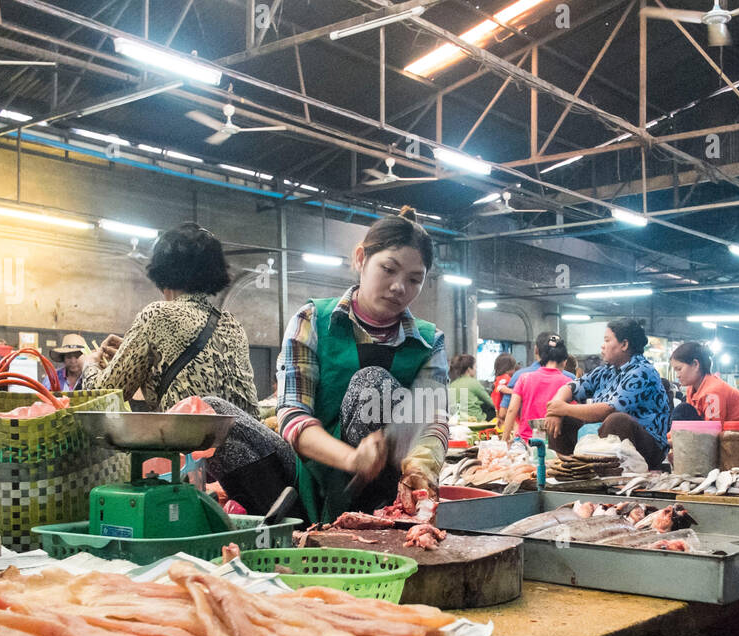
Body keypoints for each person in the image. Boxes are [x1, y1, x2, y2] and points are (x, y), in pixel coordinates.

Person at [194, 207, 449, 522]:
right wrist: (353, 459)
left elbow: (432, 422)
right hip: (305, 479)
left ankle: (366, 520)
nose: (399, 287)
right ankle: (294, 527)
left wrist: (420, 471)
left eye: (414, 280)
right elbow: (292, 415)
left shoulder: (428, 341)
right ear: (360, 259)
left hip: (384, 490)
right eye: (388, 269)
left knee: (372, 383)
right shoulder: (312, 320)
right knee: (208, 415)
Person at [80, 221, 259, 415]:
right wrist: (134, 360)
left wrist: (89, 365)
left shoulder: (157, 315)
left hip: (194, 444)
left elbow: (103, 395)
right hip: (245, 441)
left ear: (161, 272)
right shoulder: (232, 324)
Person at [543, 318, 671, 468]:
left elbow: (608, 409)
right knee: (562, 420)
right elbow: (571, 387)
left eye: (607, 340)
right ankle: (570, 468)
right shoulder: (606, 370)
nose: (602, 346)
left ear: (624, 344)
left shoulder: (642, 372)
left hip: (647, 449)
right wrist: (555, 411)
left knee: (617, 420)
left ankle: (607, 470)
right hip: (604, 441)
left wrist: (563, 408)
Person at [500, 334, 570, 442]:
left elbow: (511, 410)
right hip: (555, 444)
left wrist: (504, 441)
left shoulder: (524, 378)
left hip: (526, 442)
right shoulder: (568, 382)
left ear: (542, 356)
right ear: (564, 361)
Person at [670, 341, 739, 421]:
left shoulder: (713, 391)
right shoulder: (691, 390)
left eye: (679, 369)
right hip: (714, 431)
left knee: (683, 409)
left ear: (695, 364)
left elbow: (712, 430)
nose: (677, 375)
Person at [502, 330, 574, 410]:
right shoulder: (571, 379)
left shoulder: (521, 377)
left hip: (525, 422)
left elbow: (504, 412)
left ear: (536, 349)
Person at [448, 353, 494, 421]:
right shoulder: (474, 383)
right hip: (475, 419)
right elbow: (491, 402)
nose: (476, 369)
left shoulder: (452, 384)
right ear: (469, 369)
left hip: (457, 419)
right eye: (475, 367)